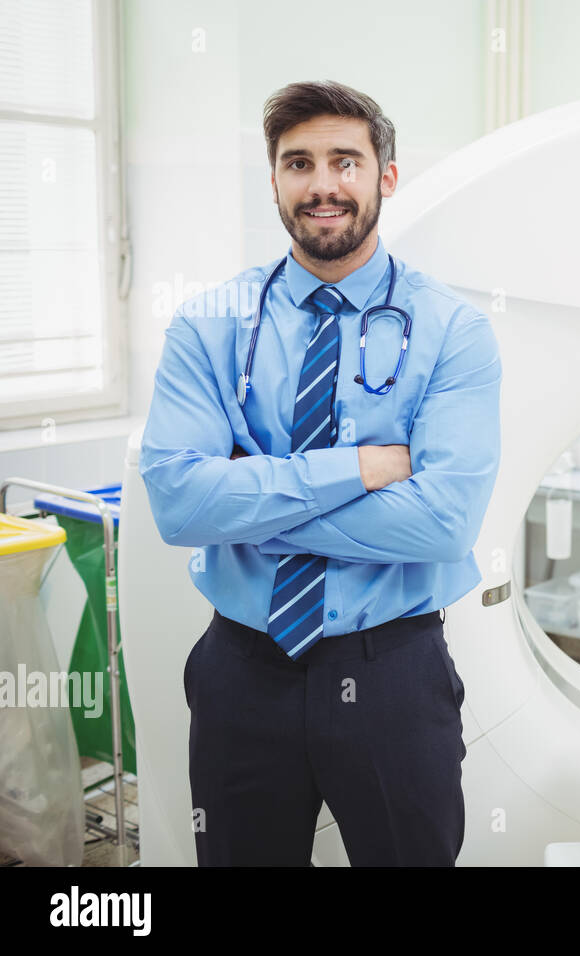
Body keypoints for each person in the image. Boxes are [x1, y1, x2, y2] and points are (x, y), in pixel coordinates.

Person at [138, 80, 502, 866]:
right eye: (298, 163)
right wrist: (359, 469)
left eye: (346, 160)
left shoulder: (453, 332)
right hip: (242, 671)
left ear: (386, 176)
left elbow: (443, 523)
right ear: (274, 181)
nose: (323, 184)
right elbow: (177, 503)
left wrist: (247, 493)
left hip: (393, 673)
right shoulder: (210, 325)